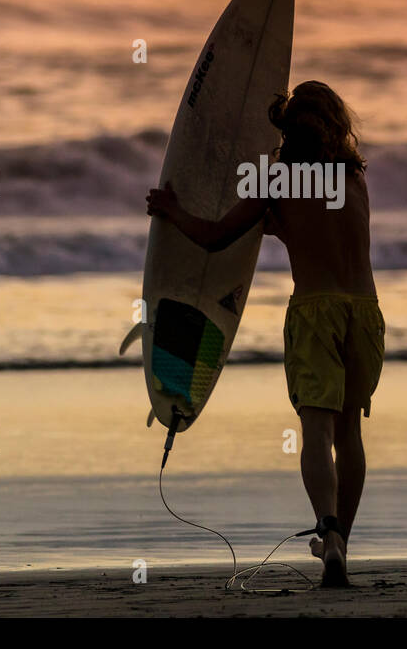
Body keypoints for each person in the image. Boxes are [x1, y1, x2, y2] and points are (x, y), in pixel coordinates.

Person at [147, 81, 384, 587]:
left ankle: (327, 528)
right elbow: (325, 229)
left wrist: (171, 209)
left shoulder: (278, 180)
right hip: (365, 312)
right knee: (350, 432)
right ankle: (340, 542)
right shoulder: (355, 178)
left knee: (316, 431)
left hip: (315, 312)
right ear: (338, 124)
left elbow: (214, 238)